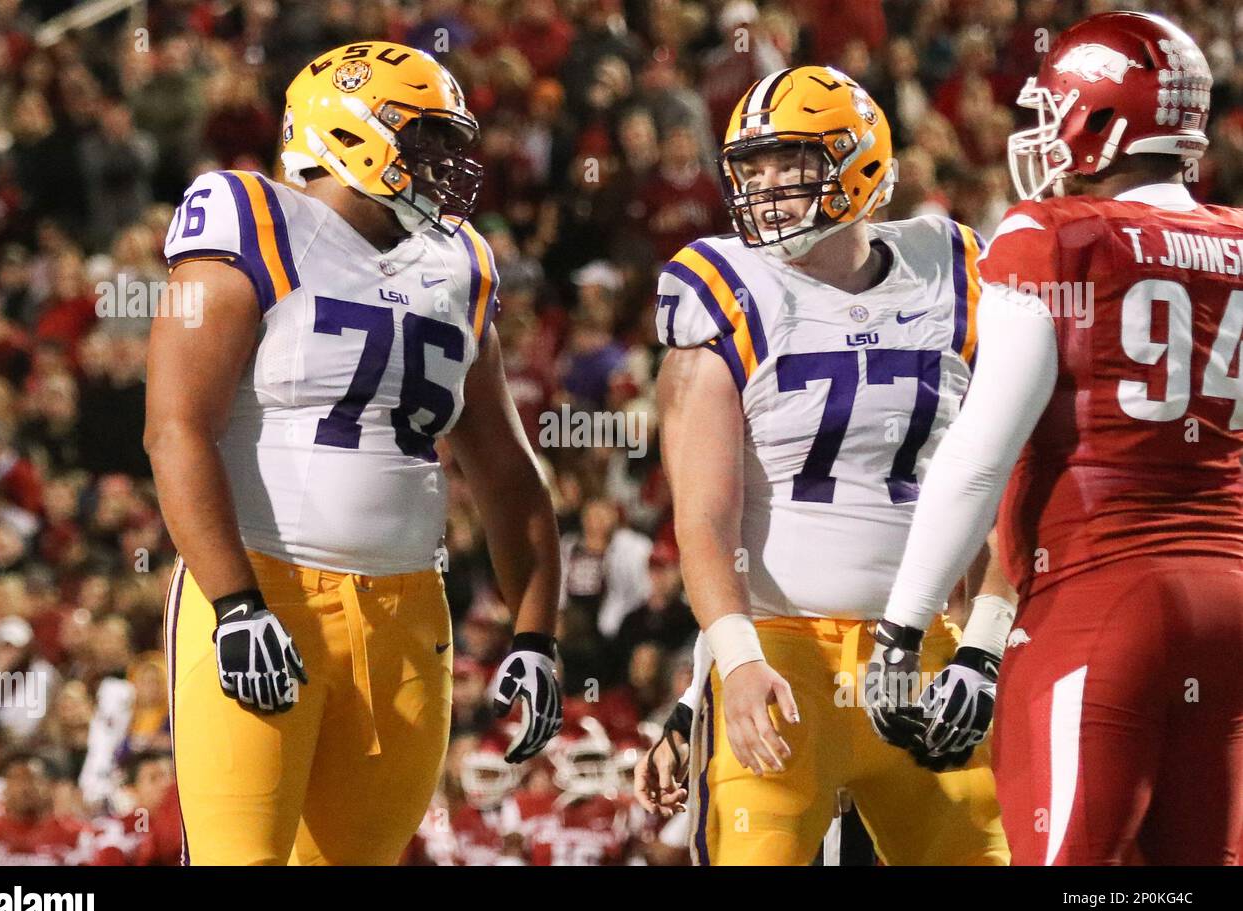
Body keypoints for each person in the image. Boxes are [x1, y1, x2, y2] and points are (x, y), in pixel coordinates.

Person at [145, 42, 563, 865]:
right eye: (426, 138)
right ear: (349, 131)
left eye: (451, 141)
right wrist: (235, 603)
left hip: (408, 612)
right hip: (268, 589)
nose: (446, 162)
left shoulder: (462, 261)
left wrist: (538, 631)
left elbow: (506, 470)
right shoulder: (250, 216)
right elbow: (175, 427)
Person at [873, 12, 1243, 865]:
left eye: (1056, 111)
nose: (1040, 135)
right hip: (1227, 598)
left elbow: (979, 455)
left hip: (1104, 600)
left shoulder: (1059, 236)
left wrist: (904, 629)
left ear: (1103, 120)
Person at [645, 66, 1010, 865]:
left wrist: (985, 647)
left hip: (921, 653)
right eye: (754, 166)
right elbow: (704, 518)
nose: (767, 185)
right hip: (780, 656)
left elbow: (996, 488)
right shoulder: (723, 286)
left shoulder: (954, 268)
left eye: (790, 162)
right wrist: (722, 670)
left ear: (860, 163)